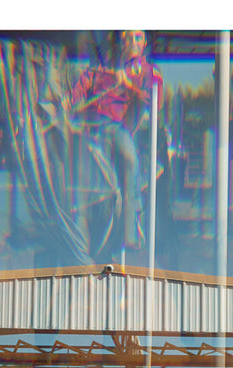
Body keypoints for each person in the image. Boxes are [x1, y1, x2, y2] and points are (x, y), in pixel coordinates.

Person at [67, 30, 163, 250]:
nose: (132, 42)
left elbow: (155, 102)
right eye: (128, 37)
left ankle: (130, 230)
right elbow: (80, 89)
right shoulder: (102, 68)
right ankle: (78, 237)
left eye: (138, 37)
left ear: (145, 42)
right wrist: (69, 104)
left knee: (130, 158)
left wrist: (130, 85)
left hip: (115, 127)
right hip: (88, 127)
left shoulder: (148, 71)